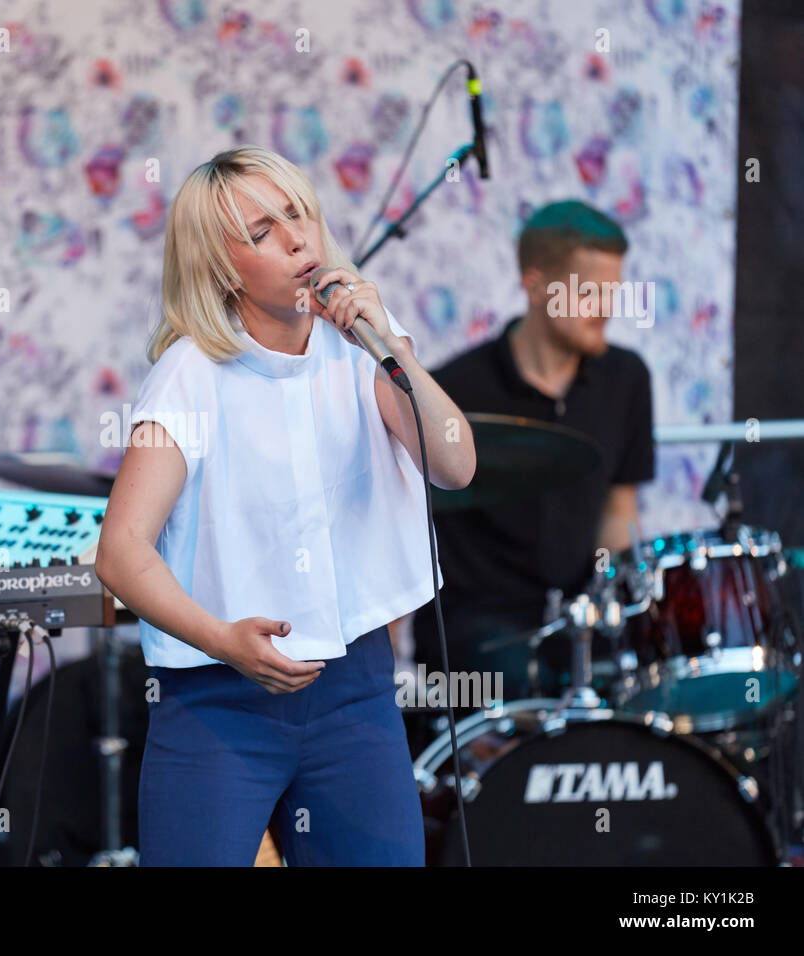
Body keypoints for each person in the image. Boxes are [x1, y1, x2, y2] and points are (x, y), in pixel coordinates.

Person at [95, 145, 475, 866]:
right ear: (220, 268)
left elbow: (455, 466)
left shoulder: (363, 345)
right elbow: (120, 552)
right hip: (217, 698)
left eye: (300, 214)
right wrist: (220, 639)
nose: (299, 239)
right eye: (263, 232)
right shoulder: (189, 375)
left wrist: (391, 344)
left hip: (354, 688)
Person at [410, 200, 656, 706]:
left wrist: (622, 596)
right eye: (589, 293)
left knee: (645, 679)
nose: (607, 309)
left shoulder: (627, 379)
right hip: (477, 627)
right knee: (517, 683)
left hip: (576, 616)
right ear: (537, 286)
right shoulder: (451, 391)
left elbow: (619, 511)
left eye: (613, 292)